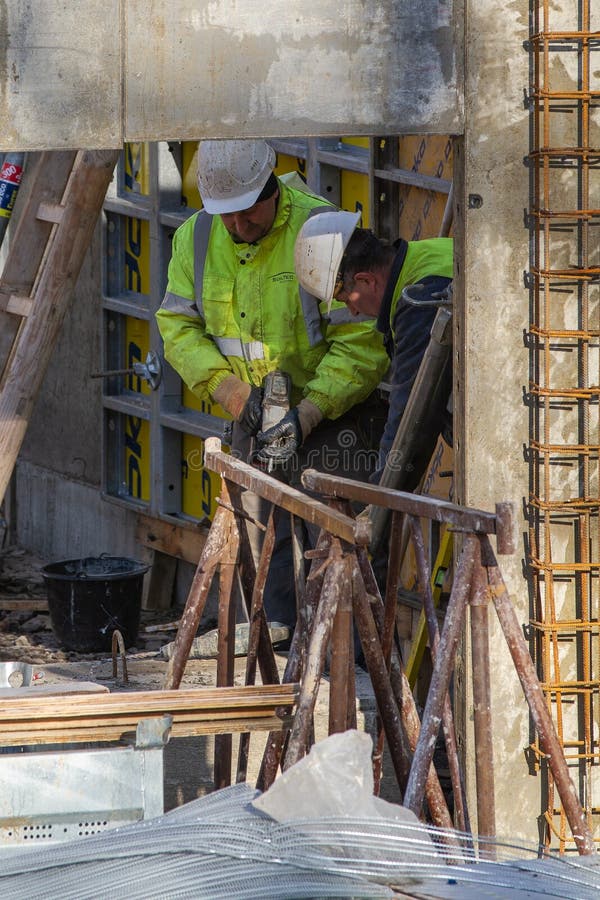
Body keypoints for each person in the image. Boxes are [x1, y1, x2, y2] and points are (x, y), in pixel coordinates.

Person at [156, 140, 389, 627]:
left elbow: (361, 343)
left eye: (247, 213)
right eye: (227, 217)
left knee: (339, 556)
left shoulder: (319, 230)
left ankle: (343, 671)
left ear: (271, 188)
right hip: (253, 417)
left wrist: (307, 414)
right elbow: (177, 327)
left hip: (331, 417)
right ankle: (277, 659)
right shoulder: (197, 238)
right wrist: (234, 395)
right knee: (258, 552)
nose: (238, 227)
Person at [294, 211, 453, 490]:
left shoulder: (419, 301)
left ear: (367, 280)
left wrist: (381, 502)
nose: (353, 311)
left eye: (346, 299)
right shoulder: (426, 254)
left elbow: (411, 420)